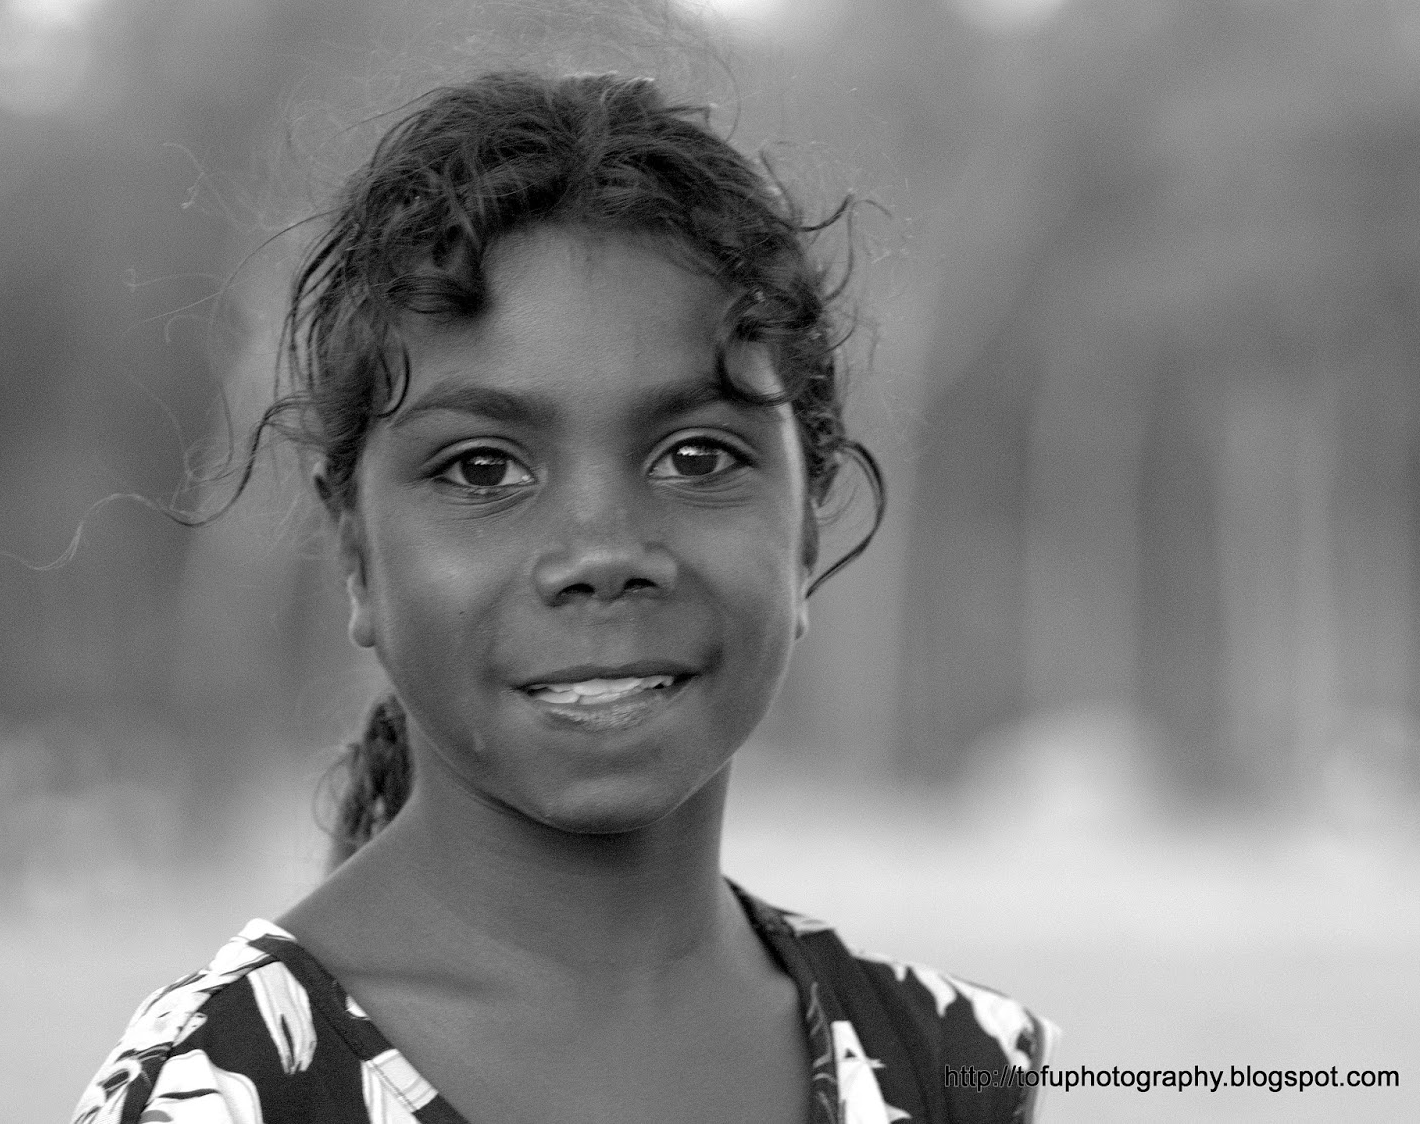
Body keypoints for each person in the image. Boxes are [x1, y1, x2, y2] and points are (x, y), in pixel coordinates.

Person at [72, 70, 1056, 1124]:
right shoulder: (221, 1086)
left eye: (693, 454)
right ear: (355, 551)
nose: (601, 552)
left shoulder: (949, 1063)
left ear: (807, 523)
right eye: (484, 469)